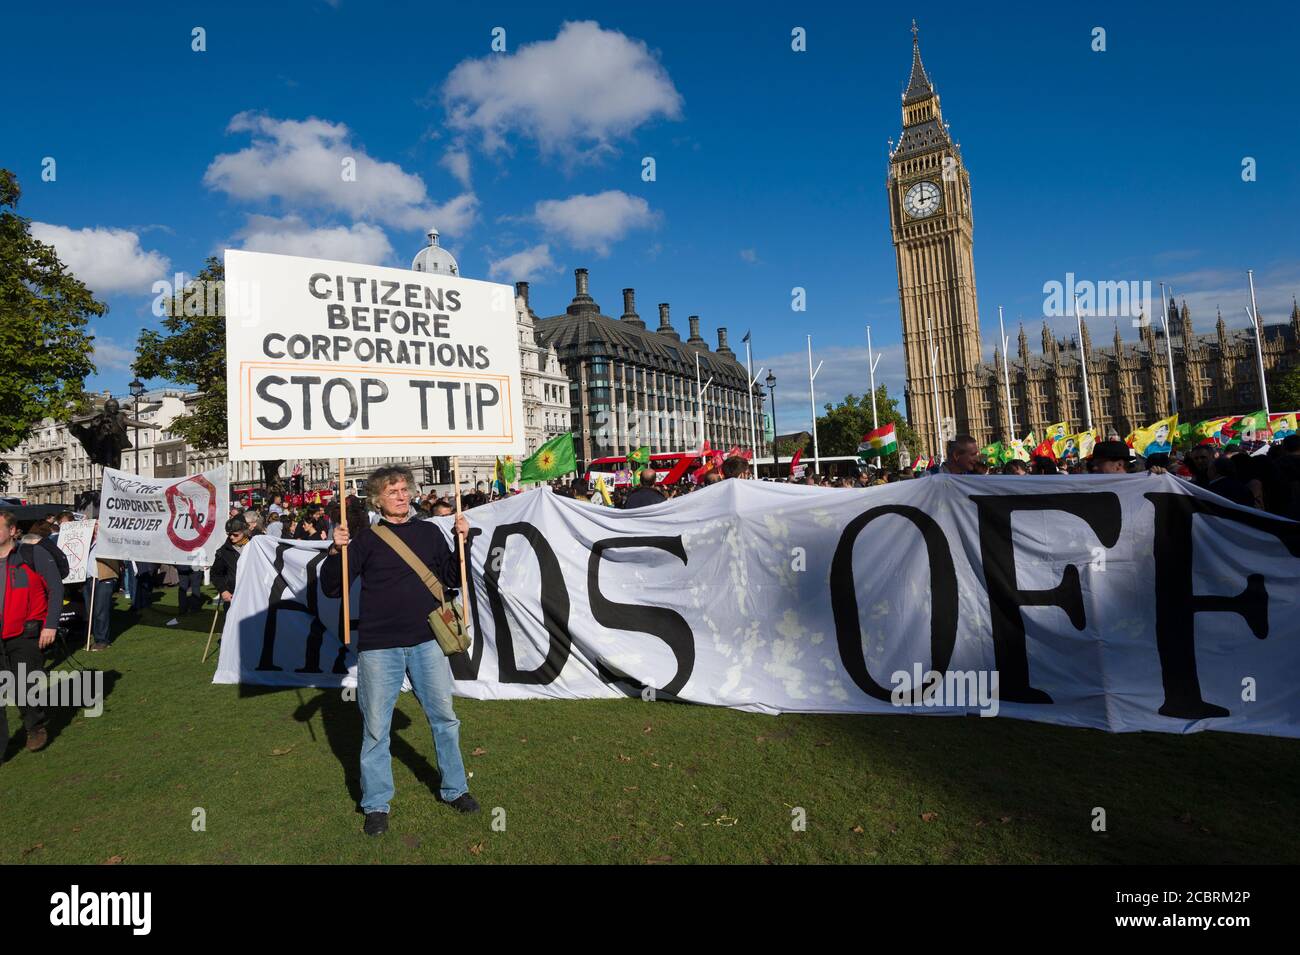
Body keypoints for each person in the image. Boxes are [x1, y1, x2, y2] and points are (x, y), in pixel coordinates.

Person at [320, 465, 479, 836]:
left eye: (405, 489)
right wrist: (335, 550)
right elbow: (332, 587)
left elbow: (452, 579)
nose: (401, 496)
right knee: (377, 729)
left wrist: (463, 542)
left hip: (428, 641)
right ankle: (376, 804)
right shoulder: (365, 540)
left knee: (445, 719)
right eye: (393, 491)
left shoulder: (429, 532)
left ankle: (456, 789)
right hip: (379, 647)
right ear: (377, 500)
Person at [0, 510, 63, 755]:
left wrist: (51, 625)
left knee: (23, 687)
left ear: (12, 531)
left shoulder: (31, 554)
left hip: (25, 634)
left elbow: (55, 588)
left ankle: (35, 725)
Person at [85, 525, 120, 652]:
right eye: (94, 523)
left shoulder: (109, 538)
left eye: (98, 523)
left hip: (104, 577)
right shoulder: (87, 541)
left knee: (101, 609)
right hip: (89, 578)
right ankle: (94, 636)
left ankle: (102, 640)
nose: (96, 526)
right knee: (91, 610)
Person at [1186, 445, 1253, 507]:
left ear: (1212, 457)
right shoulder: (1196, 479)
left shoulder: (1226, 476)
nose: (1199, 461)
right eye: (1196, 458)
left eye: (1203, 457)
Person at [211, 515, 252, 605]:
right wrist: (223, 590)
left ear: (244, 532)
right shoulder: (223, 552)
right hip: (233, 596)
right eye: (229, 534)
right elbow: (215, 574)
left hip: (254, 594)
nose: (232, 537)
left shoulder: (255, 545)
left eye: (235, 534)